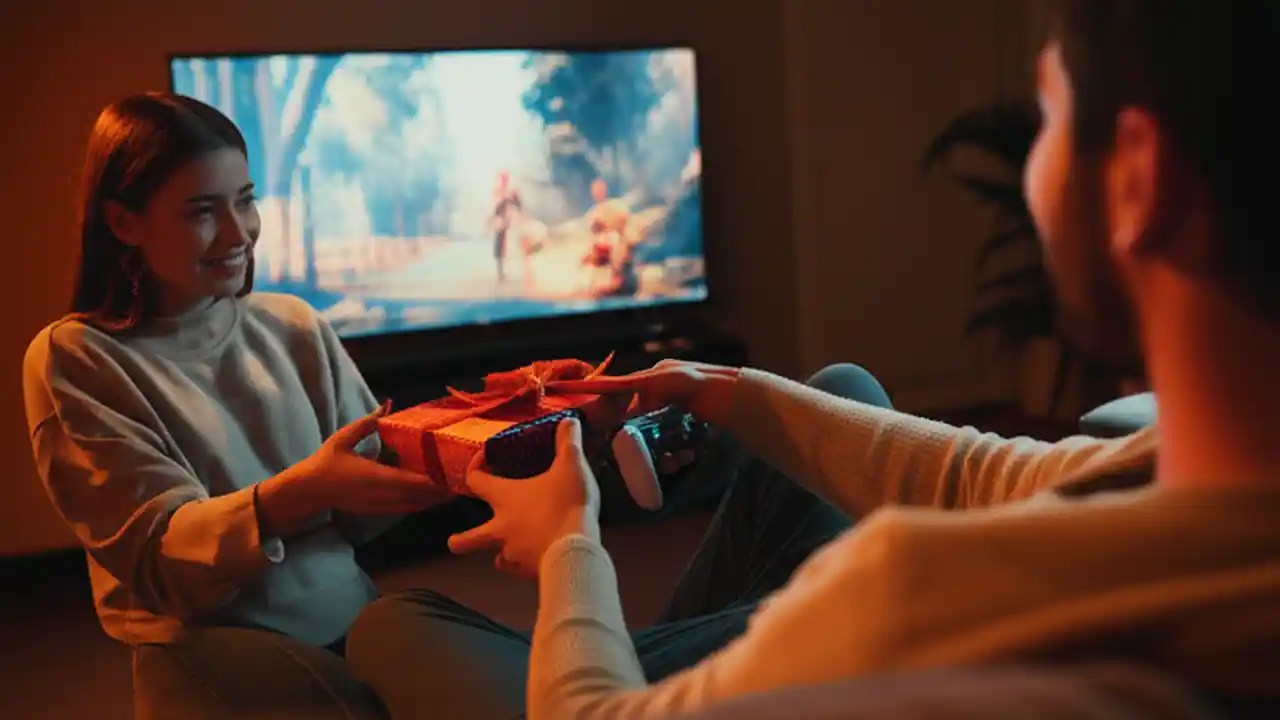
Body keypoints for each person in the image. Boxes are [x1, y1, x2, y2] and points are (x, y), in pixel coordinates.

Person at [344, 1, 1279, 717]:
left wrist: (567, 546)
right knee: (836, 390)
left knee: (394, 622)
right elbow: (994, 474)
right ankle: (681, 643)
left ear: (1138, 182)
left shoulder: (912, 592)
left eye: (1049, 118)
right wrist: (718, 387)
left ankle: (648, 645)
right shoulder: (1176, 488)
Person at [21, 93, 451, 719]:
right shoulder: (78, 357)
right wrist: (302, 492)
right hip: (209, 640)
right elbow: (162, 561)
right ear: (123, 223)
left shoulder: (294, 325)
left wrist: (505, 438)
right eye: (202, 211)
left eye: (245, 201)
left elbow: (369, 505)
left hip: (352, 612)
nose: (238, 232)